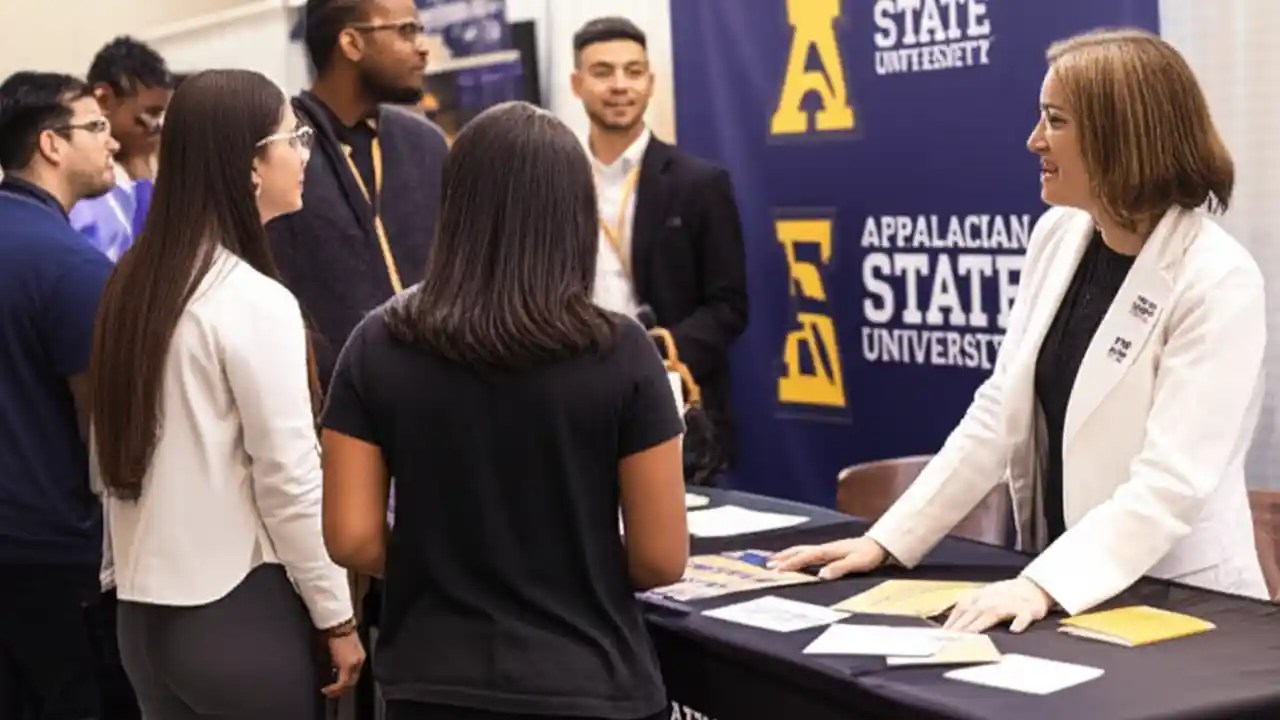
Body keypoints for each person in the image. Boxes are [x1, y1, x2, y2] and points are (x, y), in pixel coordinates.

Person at [771, 28, 1268, 632]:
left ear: (1122, 136)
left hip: (1176, 598)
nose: (1034, 141)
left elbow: (1171, 484)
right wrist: (888, 541)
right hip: (1056, 585)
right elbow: (996, 416)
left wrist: (1040, 584)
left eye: (1055, 121)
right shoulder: (1057, 236)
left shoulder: (1217, 278)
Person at [321, 101, 688, 720]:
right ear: (575, 212)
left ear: (456, 205)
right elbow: (660, 558)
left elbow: (352, 537)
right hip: (592, 680)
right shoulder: (622, 350)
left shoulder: (378, 343)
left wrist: (441, 564)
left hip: (431, 682)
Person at [88, 69, 364, 719]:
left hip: (142, 613)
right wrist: (338, 615)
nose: (303, 153)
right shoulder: (247, 297)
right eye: (291, 137)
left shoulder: (134, 282)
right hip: (238, 614)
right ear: (248, 163)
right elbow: (289, 480)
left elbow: (104, 459)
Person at [571, 17, 748, 475]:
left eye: (633, 72)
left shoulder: (699, 183)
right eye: (603, 72)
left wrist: (653, 354)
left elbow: (729, 306)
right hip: (572, 397)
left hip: (672, 405)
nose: (619, 86)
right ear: (576, 83)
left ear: (650, 82)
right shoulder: (555, 182)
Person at [0, 71, 119, 720]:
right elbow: (100, 429)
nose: (114, 144)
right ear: (51, 143)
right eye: (96, 127)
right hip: (51, 556)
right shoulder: (73, 267)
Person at [268, 0, 448, 386]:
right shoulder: (280, 152)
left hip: (443, 395)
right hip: (332, 411)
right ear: (351, 43)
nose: (423, 46)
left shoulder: (425, 144)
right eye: (406, 30)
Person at [69, 36, 173, 262]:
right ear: (104, 99)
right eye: (151, 114)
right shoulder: (85, 178)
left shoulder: (130, 169)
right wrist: (142, 175)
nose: (155, 128)